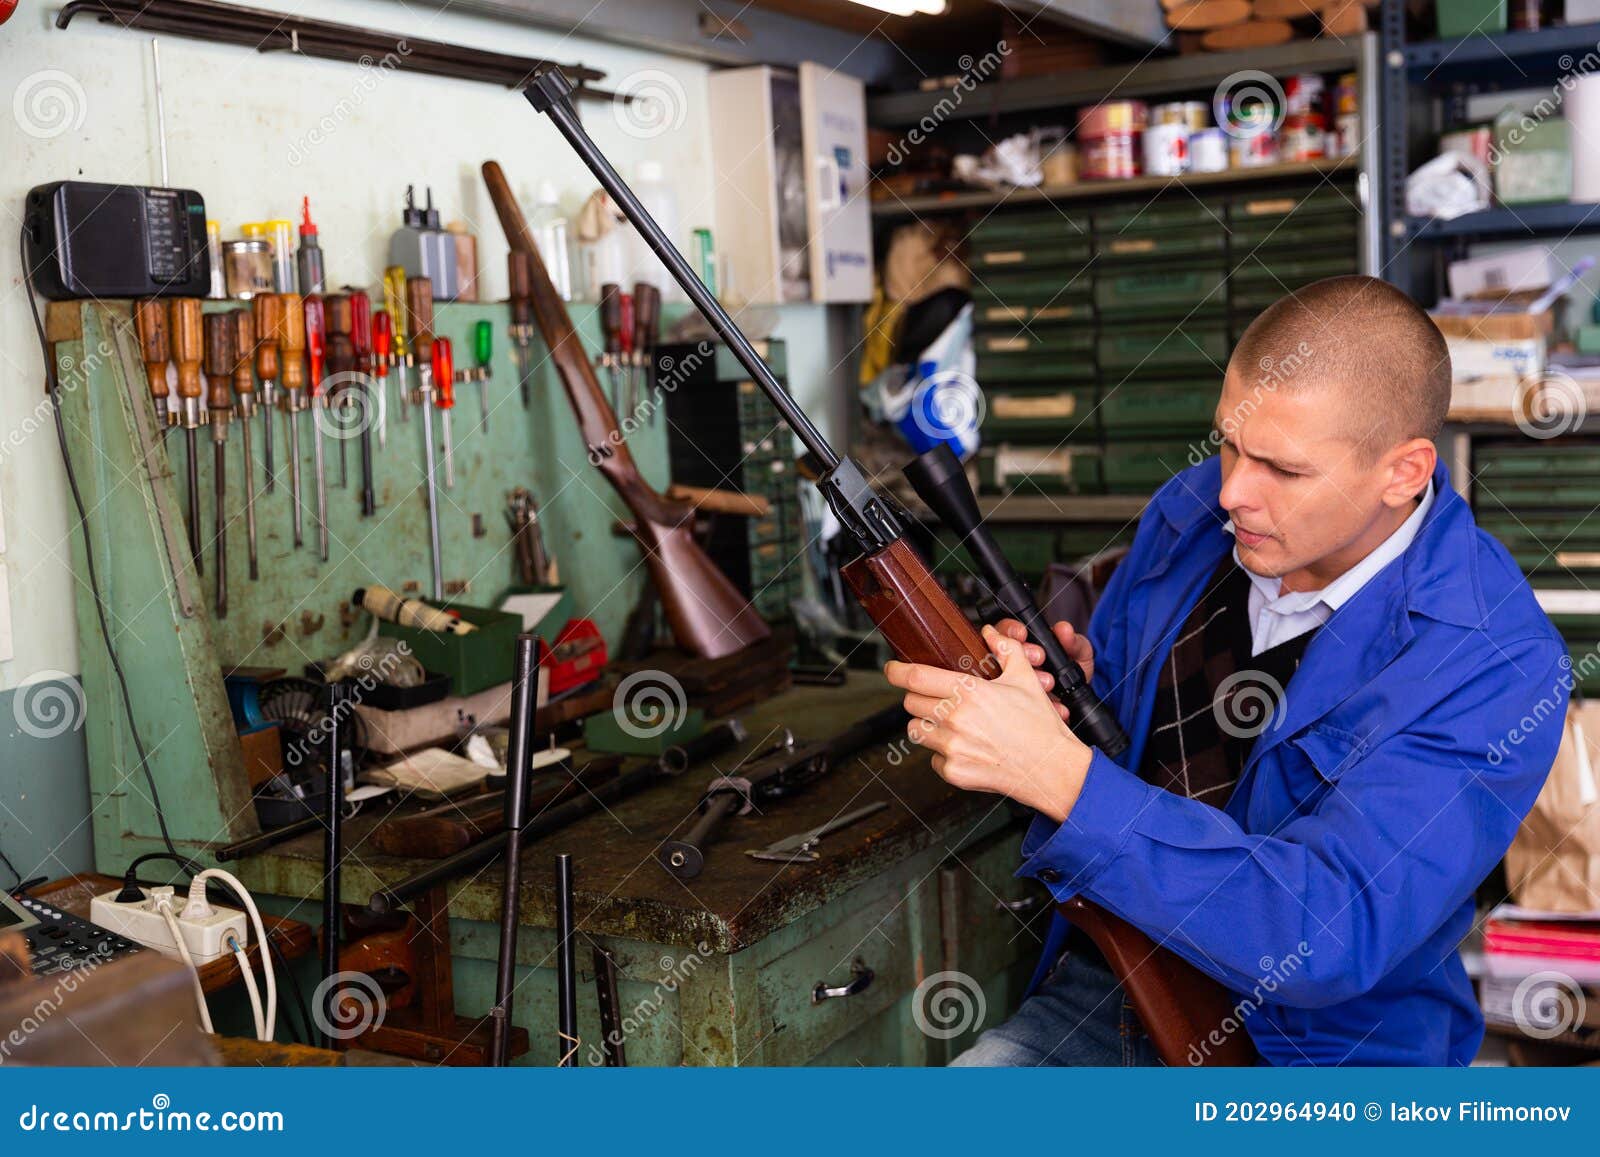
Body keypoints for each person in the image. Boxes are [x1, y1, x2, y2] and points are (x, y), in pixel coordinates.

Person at [885, 275, 1567, 1066]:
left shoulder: (1492, 662)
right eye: (1229, 442)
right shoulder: (1194, 515)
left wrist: (1060, 775)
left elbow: (1325, 932)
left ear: (1404, 472)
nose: (1233, 490)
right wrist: (1053, 695)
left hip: (1323, 1053)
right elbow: (1124, 738)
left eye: (1282, 467)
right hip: (1121, 984)